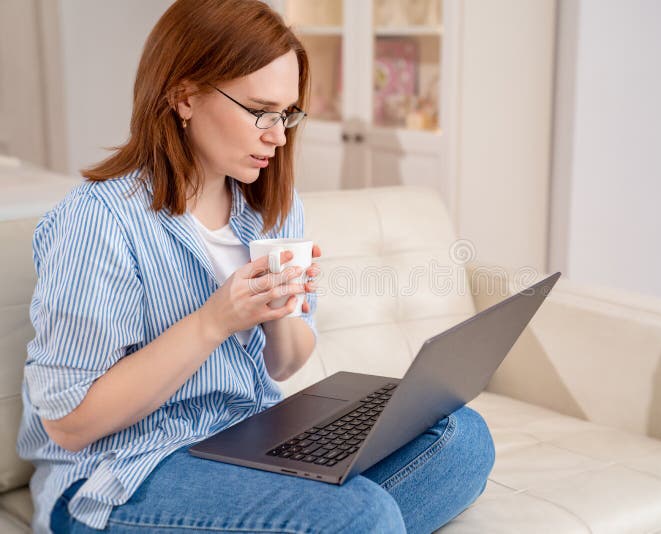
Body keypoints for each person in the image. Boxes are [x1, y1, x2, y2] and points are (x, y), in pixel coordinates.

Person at [17, 1, 495, 532]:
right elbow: (67, 423)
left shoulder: (272, 206)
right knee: (362, 514)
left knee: (460, 438)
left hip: (245, 438)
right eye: (260, 111)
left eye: (287, 113)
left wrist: (278, 310)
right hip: (121, 472)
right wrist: (213, 321)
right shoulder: (99, 220)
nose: (278, 135)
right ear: (184, 95)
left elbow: (286, 364)